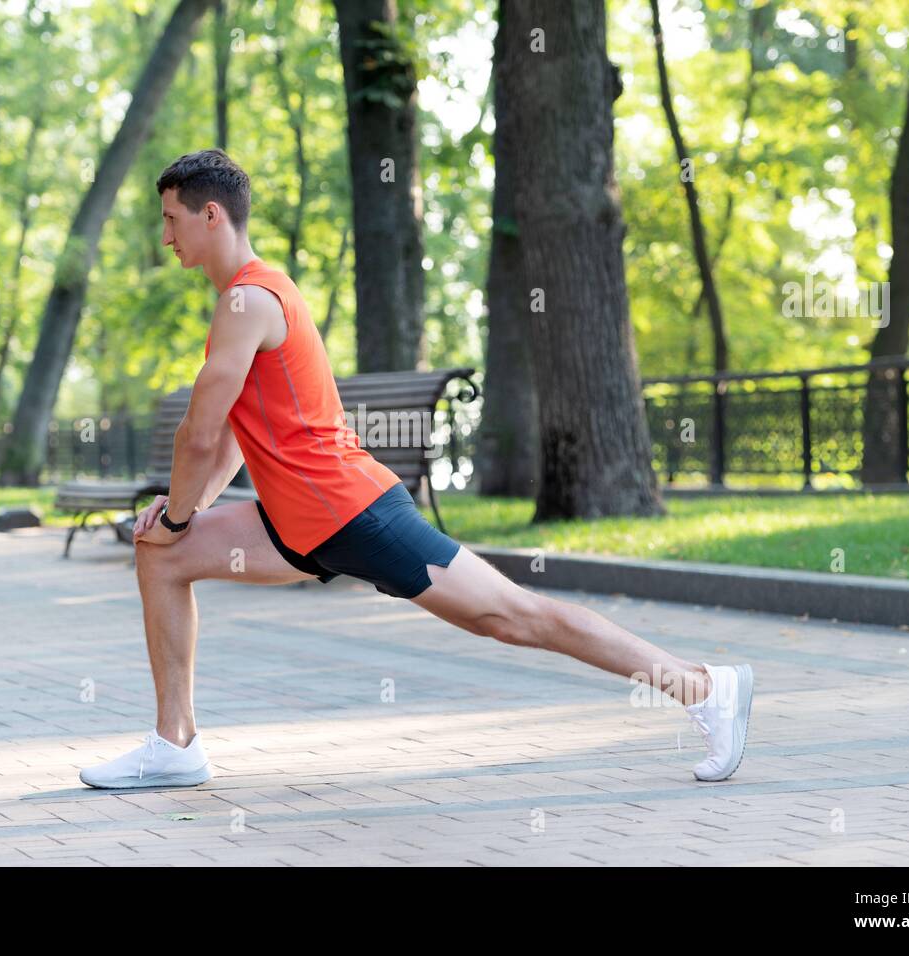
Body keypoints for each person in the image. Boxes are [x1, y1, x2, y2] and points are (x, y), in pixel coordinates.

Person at [78, 148, 753, 790]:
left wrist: (177, 514)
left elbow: (197, 438)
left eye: (170, 218)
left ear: (211, 215)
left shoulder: (248, 301)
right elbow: (226, 438)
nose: (165, 235)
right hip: (298, 521)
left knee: (513, 617)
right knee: (160, 557)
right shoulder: (247, 298)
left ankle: (703, 688)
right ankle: (175, 744)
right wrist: (176, 525)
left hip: (352, 513)